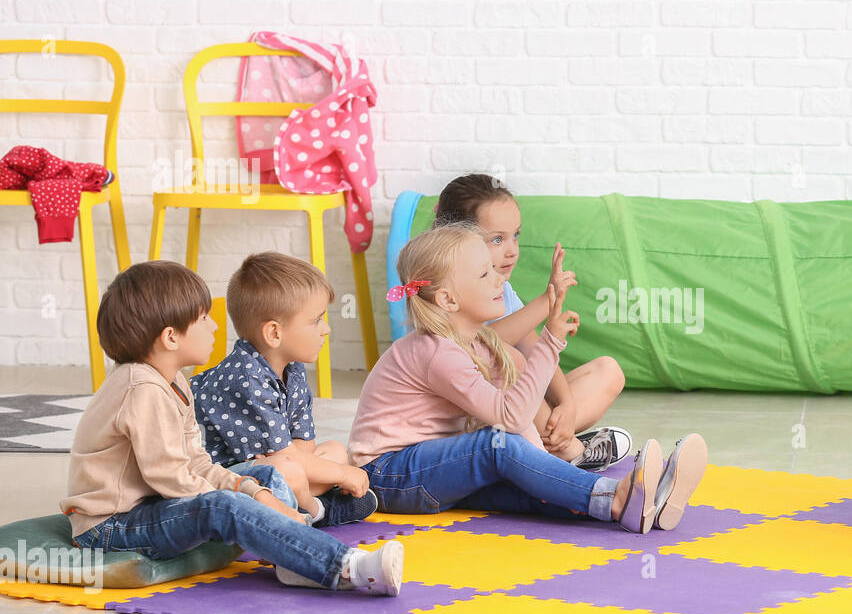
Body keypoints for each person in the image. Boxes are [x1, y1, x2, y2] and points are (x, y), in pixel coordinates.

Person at [62, 261, 402, 595]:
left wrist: (257, 493)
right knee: (224, 505)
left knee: (267, 477)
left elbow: (197, 464)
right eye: (203, 318)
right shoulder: (143, 389)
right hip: (112, 526)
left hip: (151, 506)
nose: (214, 327)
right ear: (170, 337)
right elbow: (170, 479)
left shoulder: (174, 382)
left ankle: (290, 555)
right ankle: (342, 567)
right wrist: (248, 502)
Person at [349, 223, 708, 533]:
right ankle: (616, 497)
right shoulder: (437, 352)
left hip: (431, 471)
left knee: (529, 487)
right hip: (387, 475)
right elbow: (511, 418)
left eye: (495, 269)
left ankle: (643, 508)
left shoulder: (475, 342)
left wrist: (540, 469)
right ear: (447, 299)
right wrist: (550, 342)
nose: (500, 278)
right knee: (494, 444)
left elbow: (519, 420)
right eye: (485, 274)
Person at [434, 173, 631, 471]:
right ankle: (566, 449)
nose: (512, 250)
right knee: (508, 360)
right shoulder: (444, 292)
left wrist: (566, 404)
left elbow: (535, 349)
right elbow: (481, 346)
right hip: (470, 423)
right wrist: (547, 300)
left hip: (514, 416)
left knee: (608, 371)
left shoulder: (503, 289)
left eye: (516, 235)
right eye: (497, 239)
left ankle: (548, 443)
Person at [192, 252, 377, 526]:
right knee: (288, 470)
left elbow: (304, 444)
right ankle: (316, 511)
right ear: (275, 333)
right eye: (316, 320)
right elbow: (286, 459)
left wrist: (329, 467)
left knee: (336, 451)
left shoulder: (292, 367)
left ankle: (299, 504)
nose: (325, 329)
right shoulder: (245, 379)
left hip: (277, 467)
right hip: (225, 478)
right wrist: (340, 475)